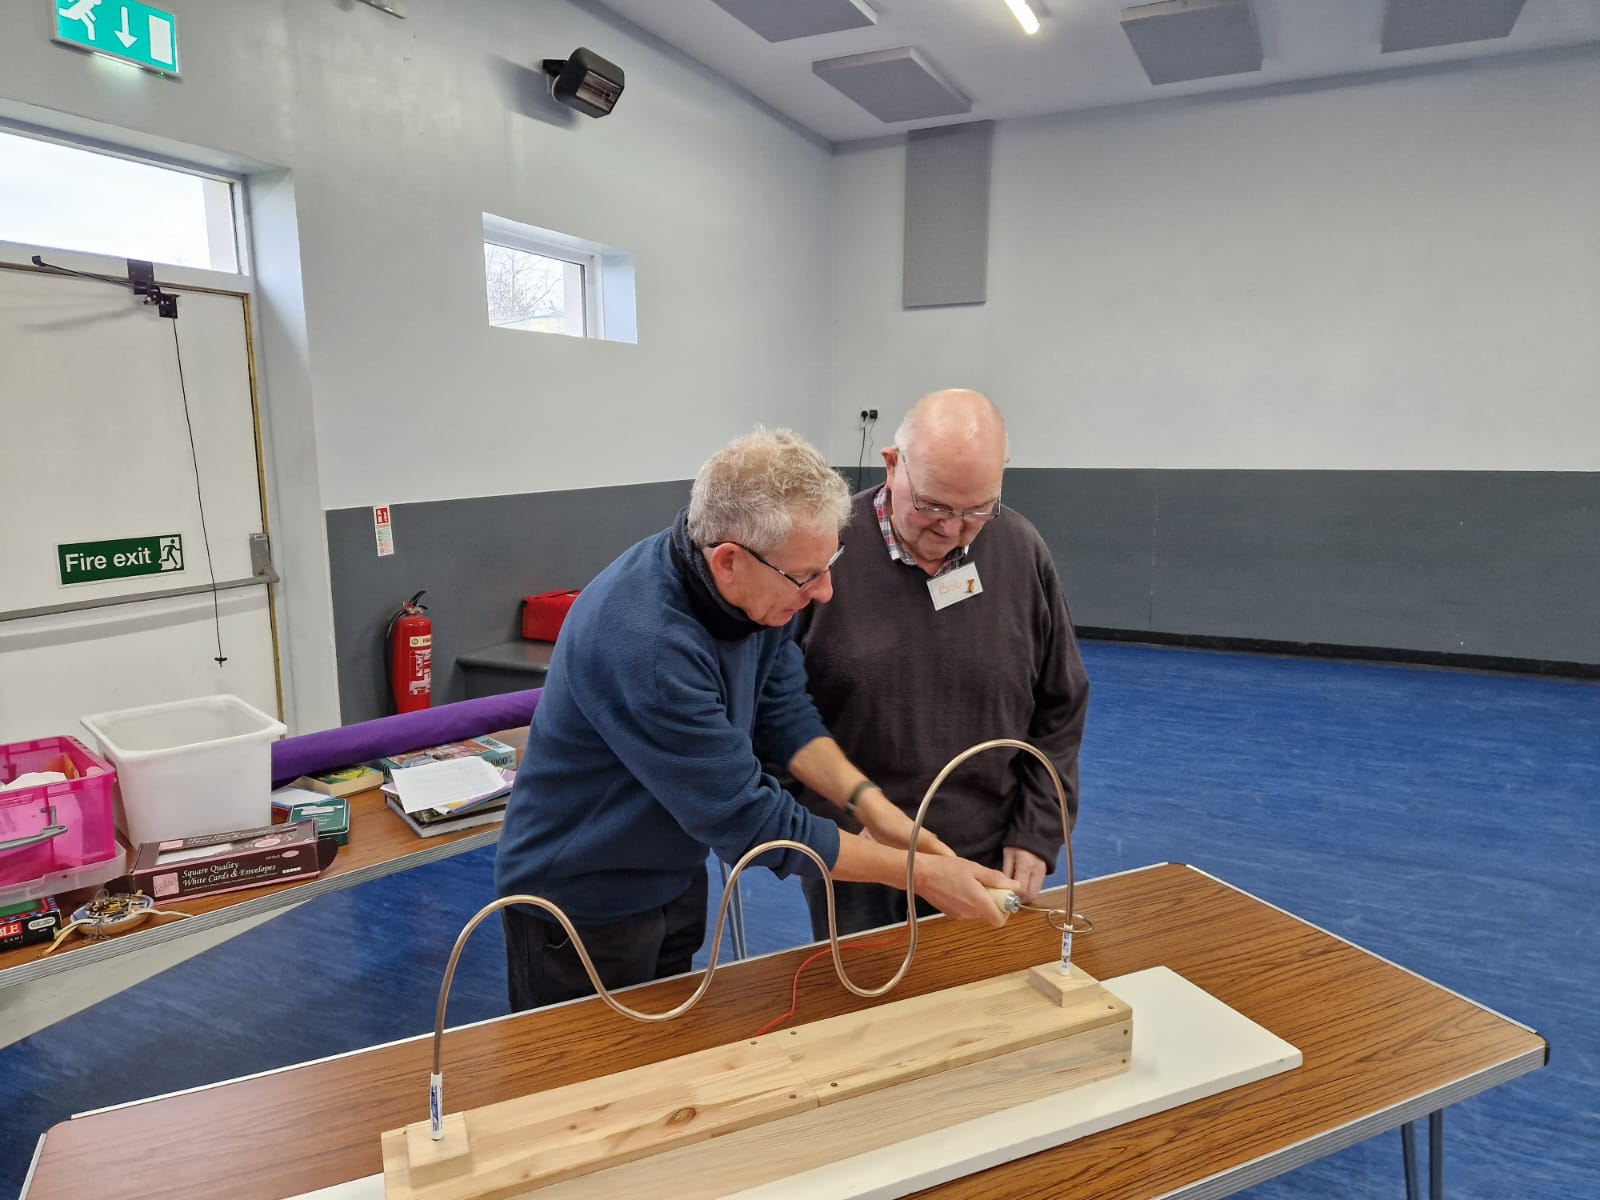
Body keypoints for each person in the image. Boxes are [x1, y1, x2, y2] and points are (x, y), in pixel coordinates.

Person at [493, 428, 1019, 1011]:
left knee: (665, 1042)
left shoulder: (752, 591)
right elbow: (751, 820)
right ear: (728, 561)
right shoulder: (647, 642)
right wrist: (919, 875)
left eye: (830, 564)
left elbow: (782, 712)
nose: (825, 592)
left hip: (669, 872)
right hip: (577, 905)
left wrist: (878, 812)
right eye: (806, 576)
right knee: (595, 1065)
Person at [794, 389, 1090, 938]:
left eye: (976, 510)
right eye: (932, 505)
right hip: (864, 864)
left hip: (990, 858)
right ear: (891, 465)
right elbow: (772, 716)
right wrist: (833, 828)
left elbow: (1060, 707)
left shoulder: (1021, 550)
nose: (951, 528)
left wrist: (1037, 828)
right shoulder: (819, 554)